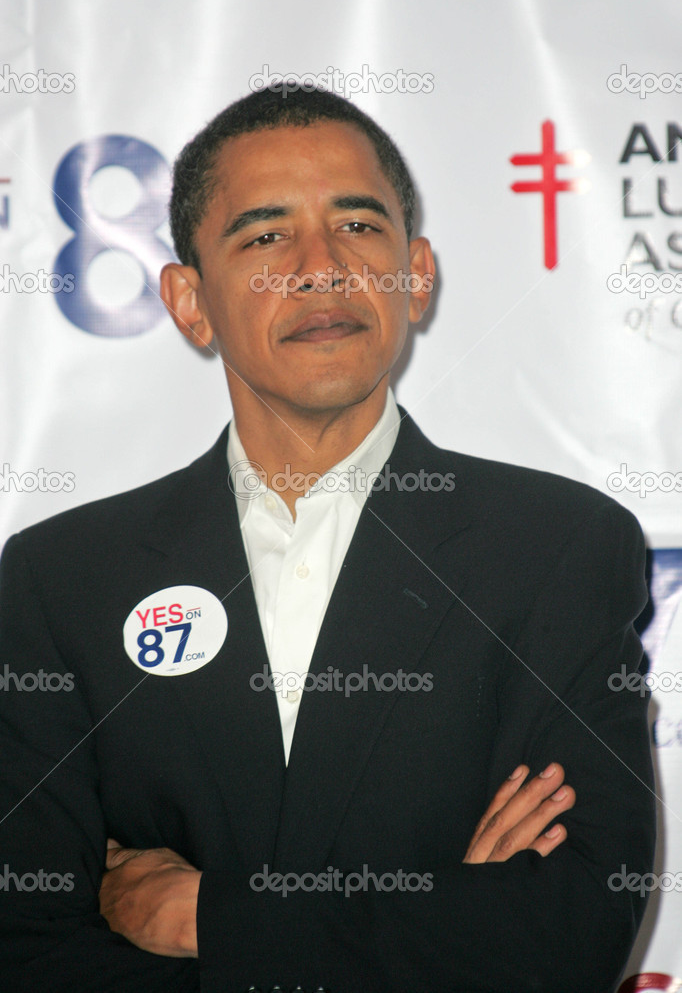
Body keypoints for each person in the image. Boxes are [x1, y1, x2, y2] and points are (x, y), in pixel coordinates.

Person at [0, 86, 655, 993]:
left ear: (415, 276)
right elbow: (30, 947)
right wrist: (445, 915)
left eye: (357, 225)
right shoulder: (59, 580)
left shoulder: (560, 549)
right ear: (189, 302)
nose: (321, 267)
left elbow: (571, 927)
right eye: (265, 236)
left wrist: (206, 916)